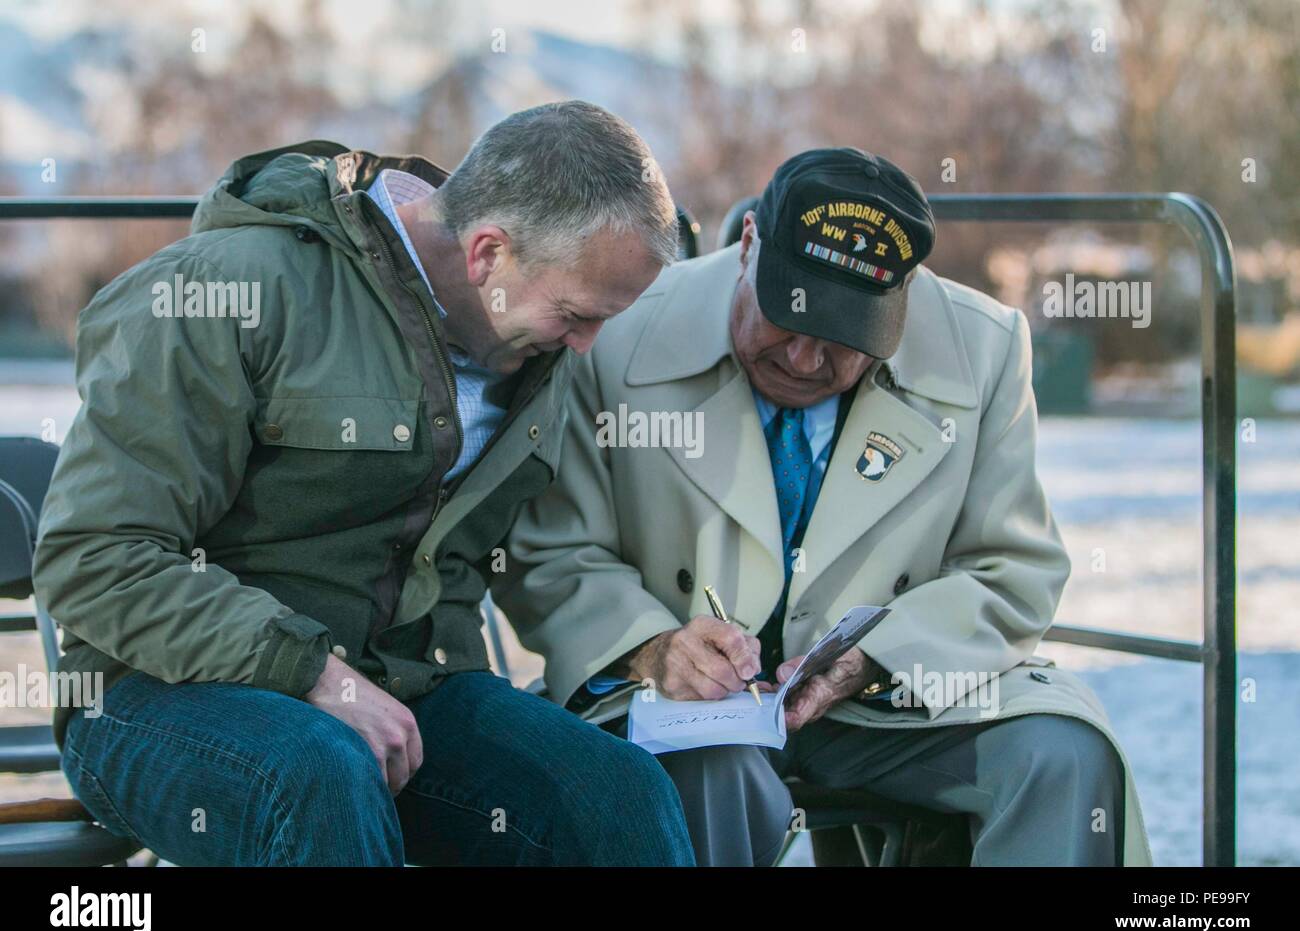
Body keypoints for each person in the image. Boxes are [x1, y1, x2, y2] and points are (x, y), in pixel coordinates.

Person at [35, 101, 695, 866]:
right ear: (487, 255)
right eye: (577, 316)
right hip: (156, 695)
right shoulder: (218, 294)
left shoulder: (534, 341)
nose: (587, 347)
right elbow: (94, 561)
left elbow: (536, 554)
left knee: (617, 795)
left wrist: (665, 644)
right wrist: (317, 676)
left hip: (407, 690)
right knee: (320, 774)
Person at [495, 147, 1153, 866]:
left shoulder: (985, 348)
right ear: (747, 247)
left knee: (1064, 755)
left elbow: (1011, 568)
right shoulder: (617, 328)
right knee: (699, 767)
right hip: (684, 709)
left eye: (843, 339)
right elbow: (551, 550)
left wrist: (881, 657)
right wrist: (655, 650)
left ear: (901, 305)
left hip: (896, 704)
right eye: (784, 319)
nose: (804, 361)